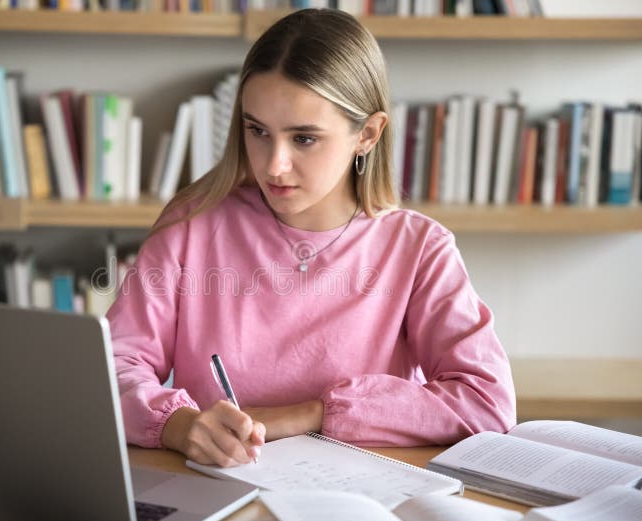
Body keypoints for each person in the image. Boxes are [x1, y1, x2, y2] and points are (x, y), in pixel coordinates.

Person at [107, 8, 516, 468]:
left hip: (359, 494)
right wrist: (179, 426)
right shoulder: (192, 223)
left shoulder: (420, 249)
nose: (273, 165)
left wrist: (311, 414)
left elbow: (487, 400)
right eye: (258, 131)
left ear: (367, 134)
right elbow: (113, 367)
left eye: (303, 138)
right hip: (214, 485)